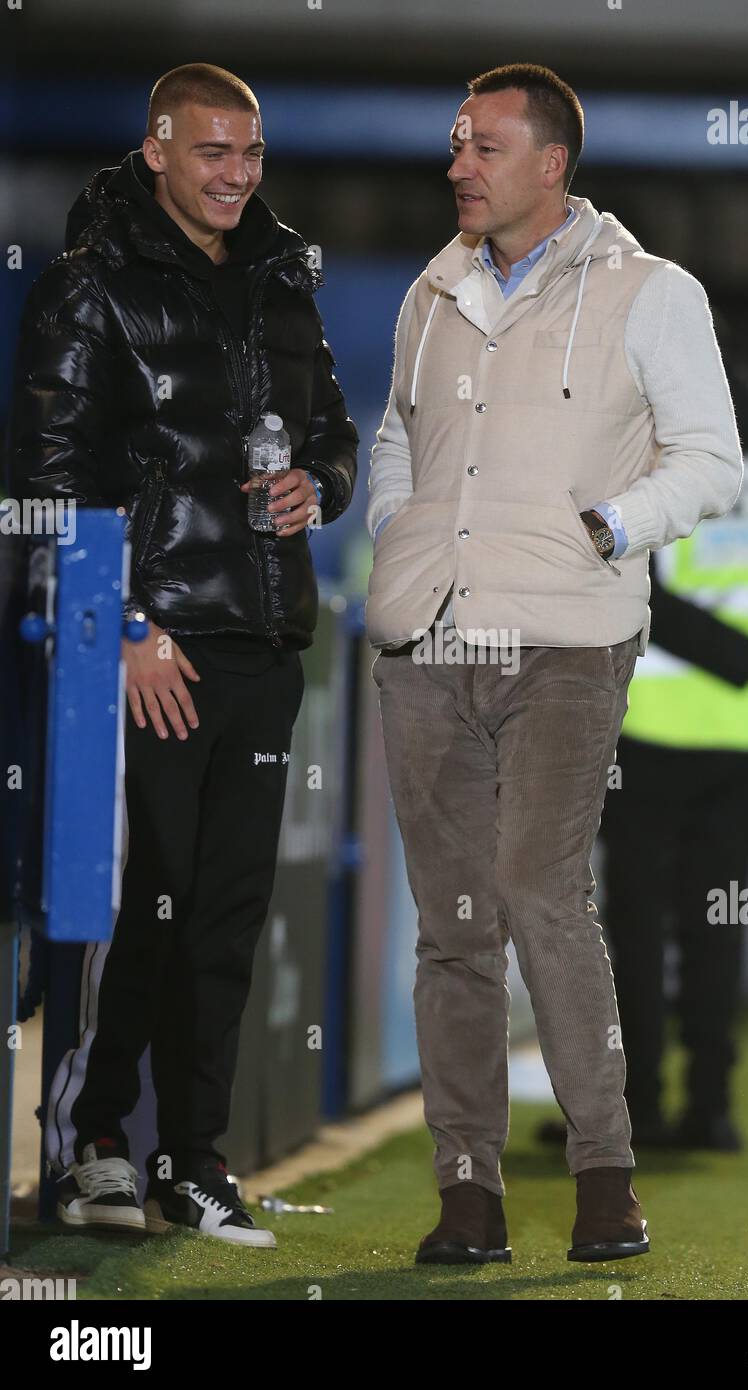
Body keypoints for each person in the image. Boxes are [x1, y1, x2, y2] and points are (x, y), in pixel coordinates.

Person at [366, 63, 742, 1264]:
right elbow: (395, 432)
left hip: (571, 642)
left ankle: (603, 1177)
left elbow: (713, 459)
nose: (458, 166)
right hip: (426, 637)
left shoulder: (653, 292)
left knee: (539, 894)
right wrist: (396, 527)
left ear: (551, 165)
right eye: (455, 145)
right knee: (453, 926)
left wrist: (608, 529)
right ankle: (468, 1194)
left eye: (482, 148)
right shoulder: (432, 287)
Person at [9, 63, 358, 1246]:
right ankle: (91, 1148)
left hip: (264, 644)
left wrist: (329, 483)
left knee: (221, 918)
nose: (235, 175)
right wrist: (127, 633)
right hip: (144, 653)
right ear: (156, 149)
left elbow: (334, 430)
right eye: (213, 152)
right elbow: (45, 488)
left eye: (250, 154)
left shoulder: (284, 277)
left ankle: (192, 1161)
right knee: (127, 921)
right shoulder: (85, 285)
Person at [598, 368, 748, 1152]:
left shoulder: (664, 462)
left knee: (637, 926)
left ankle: (639, 1107)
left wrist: (735, 657)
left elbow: (644, 589)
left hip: (652, 730)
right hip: (744, 737)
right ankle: (712, 1106)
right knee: (716, 925)